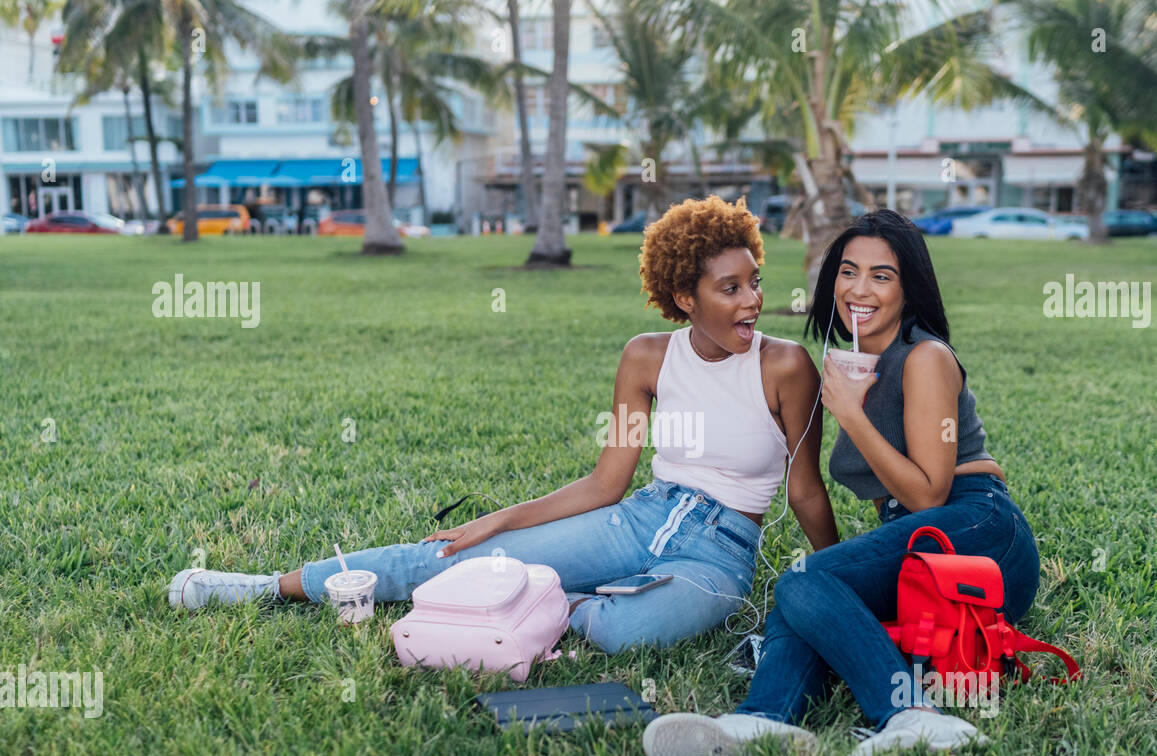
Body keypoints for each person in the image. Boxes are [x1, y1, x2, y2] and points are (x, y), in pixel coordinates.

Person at [169, 195, 838, 653]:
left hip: (719, 550)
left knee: (626, 635)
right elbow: (609, 481)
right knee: (446, 558)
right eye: (731, 288)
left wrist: (834, 578)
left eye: (753, 281)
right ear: (686, 297)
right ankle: (269, 587)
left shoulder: (785, 367)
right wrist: (498, 521)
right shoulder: (646, 359)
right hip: (637, 517)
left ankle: (546, 599)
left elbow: (804, 489)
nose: (753, 299)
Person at [642, 209, 1041, 756]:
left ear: (910, 288)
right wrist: (828, 587)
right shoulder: (853, 359)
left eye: (882, 276)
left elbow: (928, 494)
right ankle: (762, 721)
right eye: (848, 271)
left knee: (805, 580)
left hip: (978, 531)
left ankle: (913, 718)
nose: (859, 289)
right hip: (921, 546)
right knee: (805, 595)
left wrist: (852, 414)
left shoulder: (924, 358)